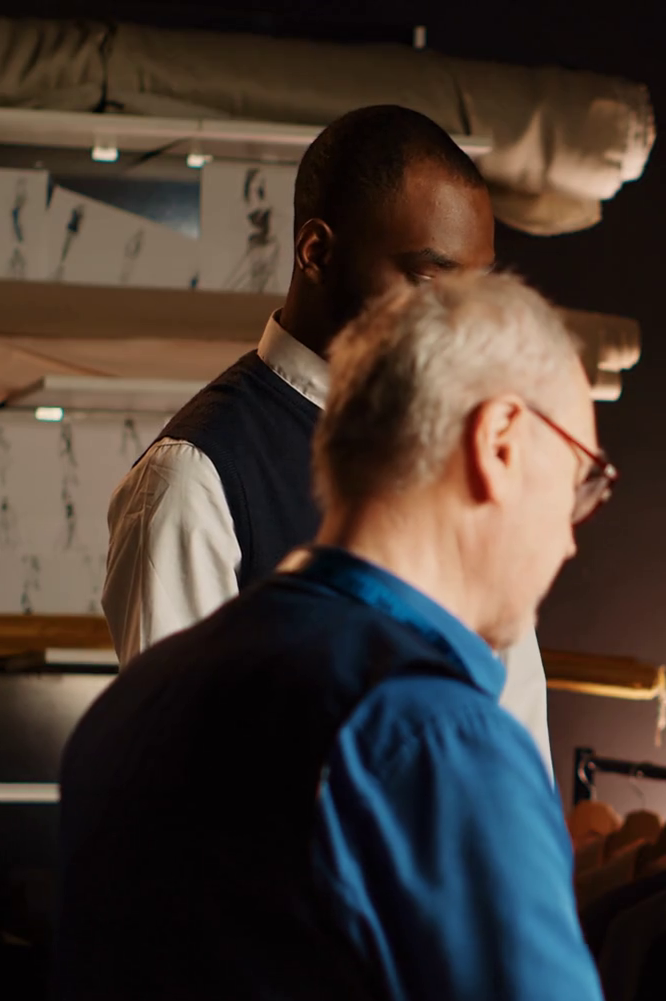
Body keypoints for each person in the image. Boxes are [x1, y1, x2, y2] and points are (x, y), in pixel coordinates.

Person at [58, 273, 627, 1001]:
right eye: (580, 481)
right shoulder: (431, 739)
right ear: (500, 440)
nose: (570, 541)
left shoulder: (125, 714)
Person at [101, 105, 556, 770]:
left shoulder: (463, 454)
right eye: (431, 281)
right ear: (316, 251)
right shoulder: (197, 478)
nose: (458, 322)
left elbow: (520, 740)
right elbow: (187, 789)